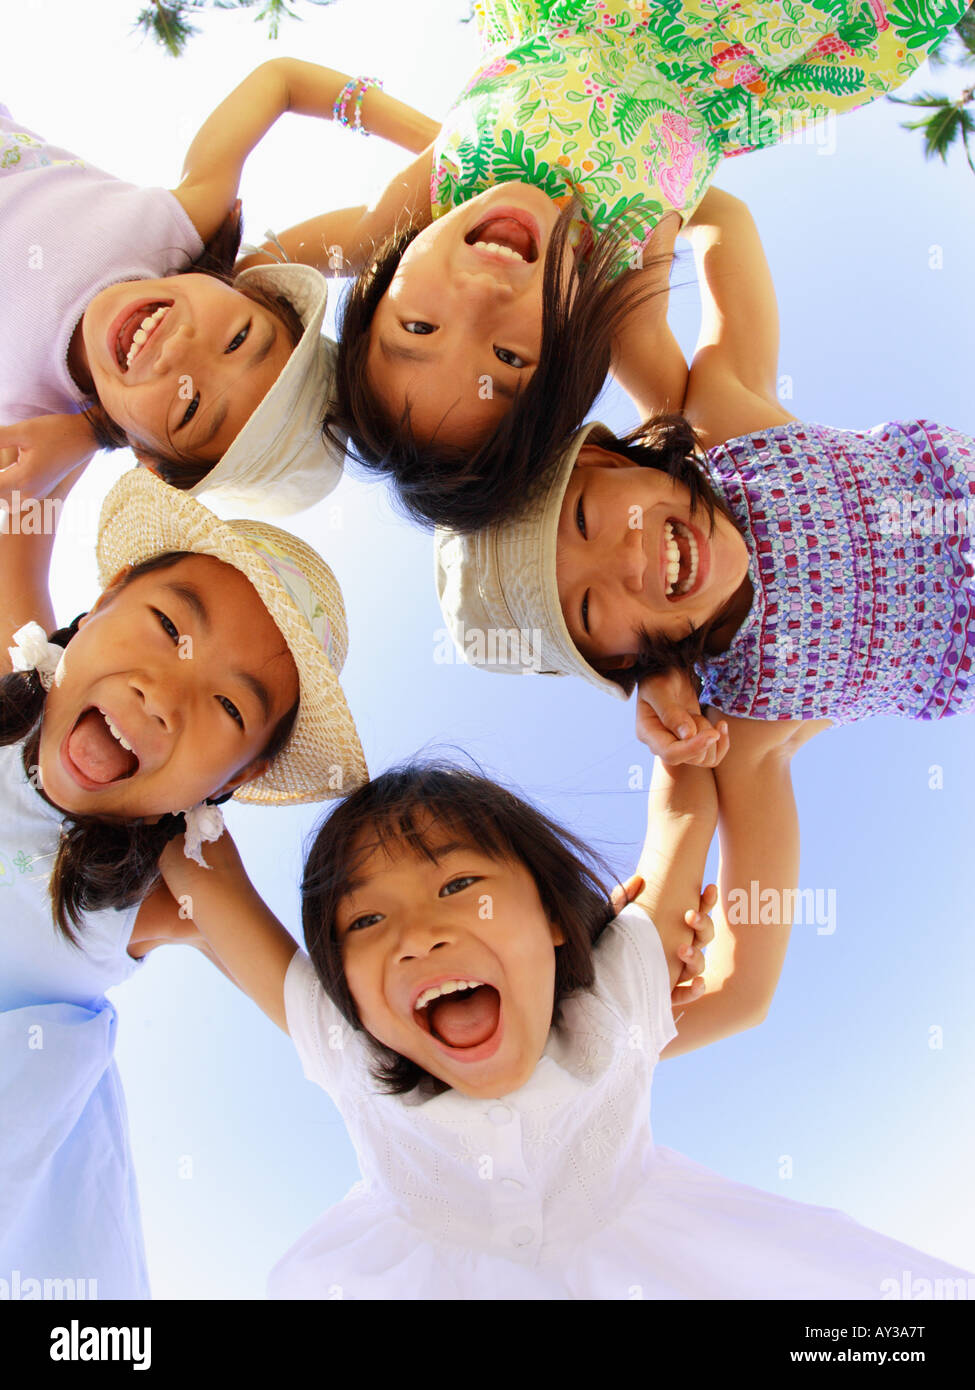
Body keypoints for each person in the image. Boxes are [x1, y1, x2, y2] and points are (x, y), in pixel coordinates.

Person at [158, 759, 972, 1298]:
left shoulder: (612, 997)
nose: (418, 934)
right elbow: (208, 880)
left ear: (552, 916)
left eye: (459, 885)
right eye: (365, 917)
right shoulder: (352, 1048)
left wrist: (672, 717)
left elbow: (681, 818)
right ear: (345, 990)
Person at [280, 0, 969, 529]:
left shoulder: (444, 188)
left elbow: (300, 234)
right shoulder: (620, 273)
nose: (480, 296)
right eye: (509, 358)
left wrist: (215, 251)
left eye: (420, 328)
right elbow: (687, 418)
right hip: (754, 29)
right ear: (571, 354)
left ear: (385, 279)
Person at [0, 461, 366, 1297]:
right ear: (106, 598)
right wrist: (79, 429)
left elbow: (330, 1026)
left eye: (230, 710)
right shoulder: (10, 687)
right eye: (167, 625)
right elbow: (21, 503)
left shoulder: (165, 891)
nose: (163, 695)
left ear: (233, 780)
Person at [0, 60, 439, 515]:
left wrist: (89, 432)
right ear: (244, 289)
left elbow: (17, 587)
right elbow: (282, 83)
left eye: (189, 411)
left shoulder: (33, 433)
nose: (178, 352)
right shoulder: (178, 227)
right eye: (237, 339)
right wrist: (442, 140)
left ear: (148, 458)